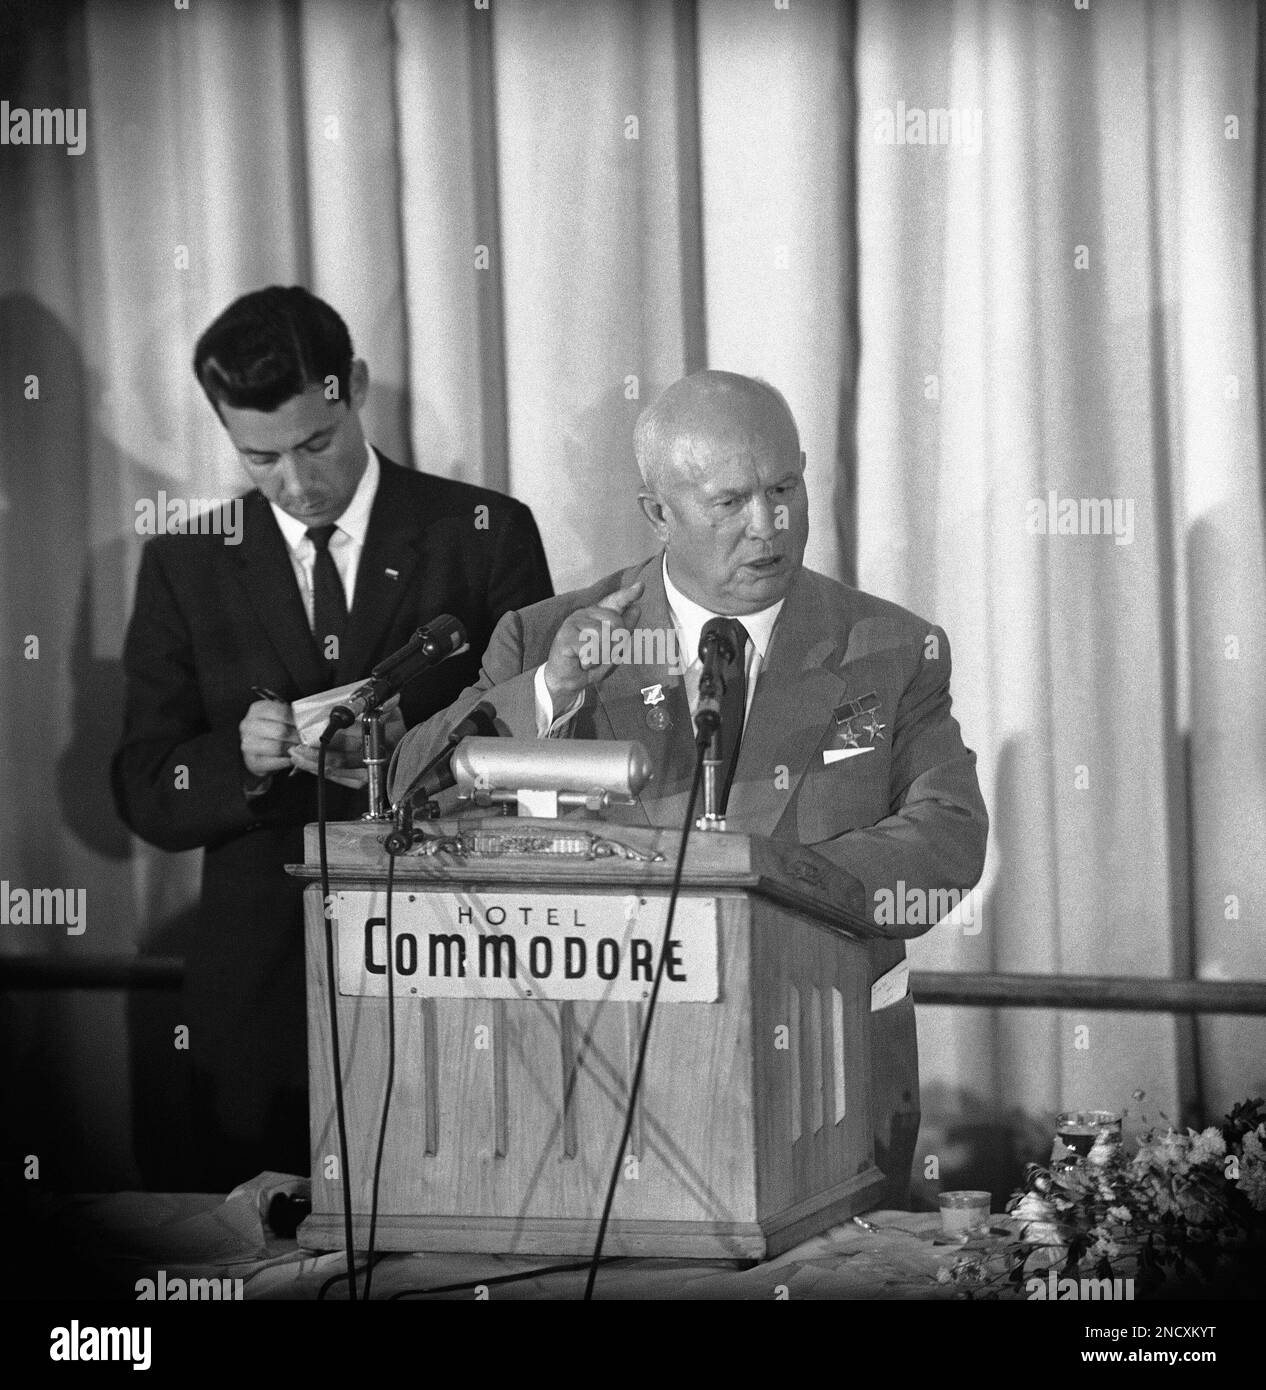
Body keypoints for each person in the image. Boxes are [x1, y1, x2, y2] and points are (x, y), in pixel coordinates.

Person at [387, 369, 987, 1205]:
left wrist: (770, 896)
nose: (769, 526)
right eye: (732, 501)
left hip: (833, 1069)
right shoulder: (546, 638)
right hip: (602, 1076)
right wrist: (551, 695)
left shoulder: (888, 647)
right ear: (658, 513)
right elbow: (409, 794)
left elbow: (948, 836)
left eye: (786, 488)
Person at [111, 286, 553, 1190]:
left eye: (316, 443)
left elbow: (548, 743)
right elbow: (146, 786)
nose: (298, 484)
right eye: (259, 458)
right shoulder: (184, 563)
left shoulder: (484, 533)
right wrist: (239, 758)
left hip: (452, 960)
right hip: (258, 1003)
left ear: (349, 386)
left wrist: (422, 743)